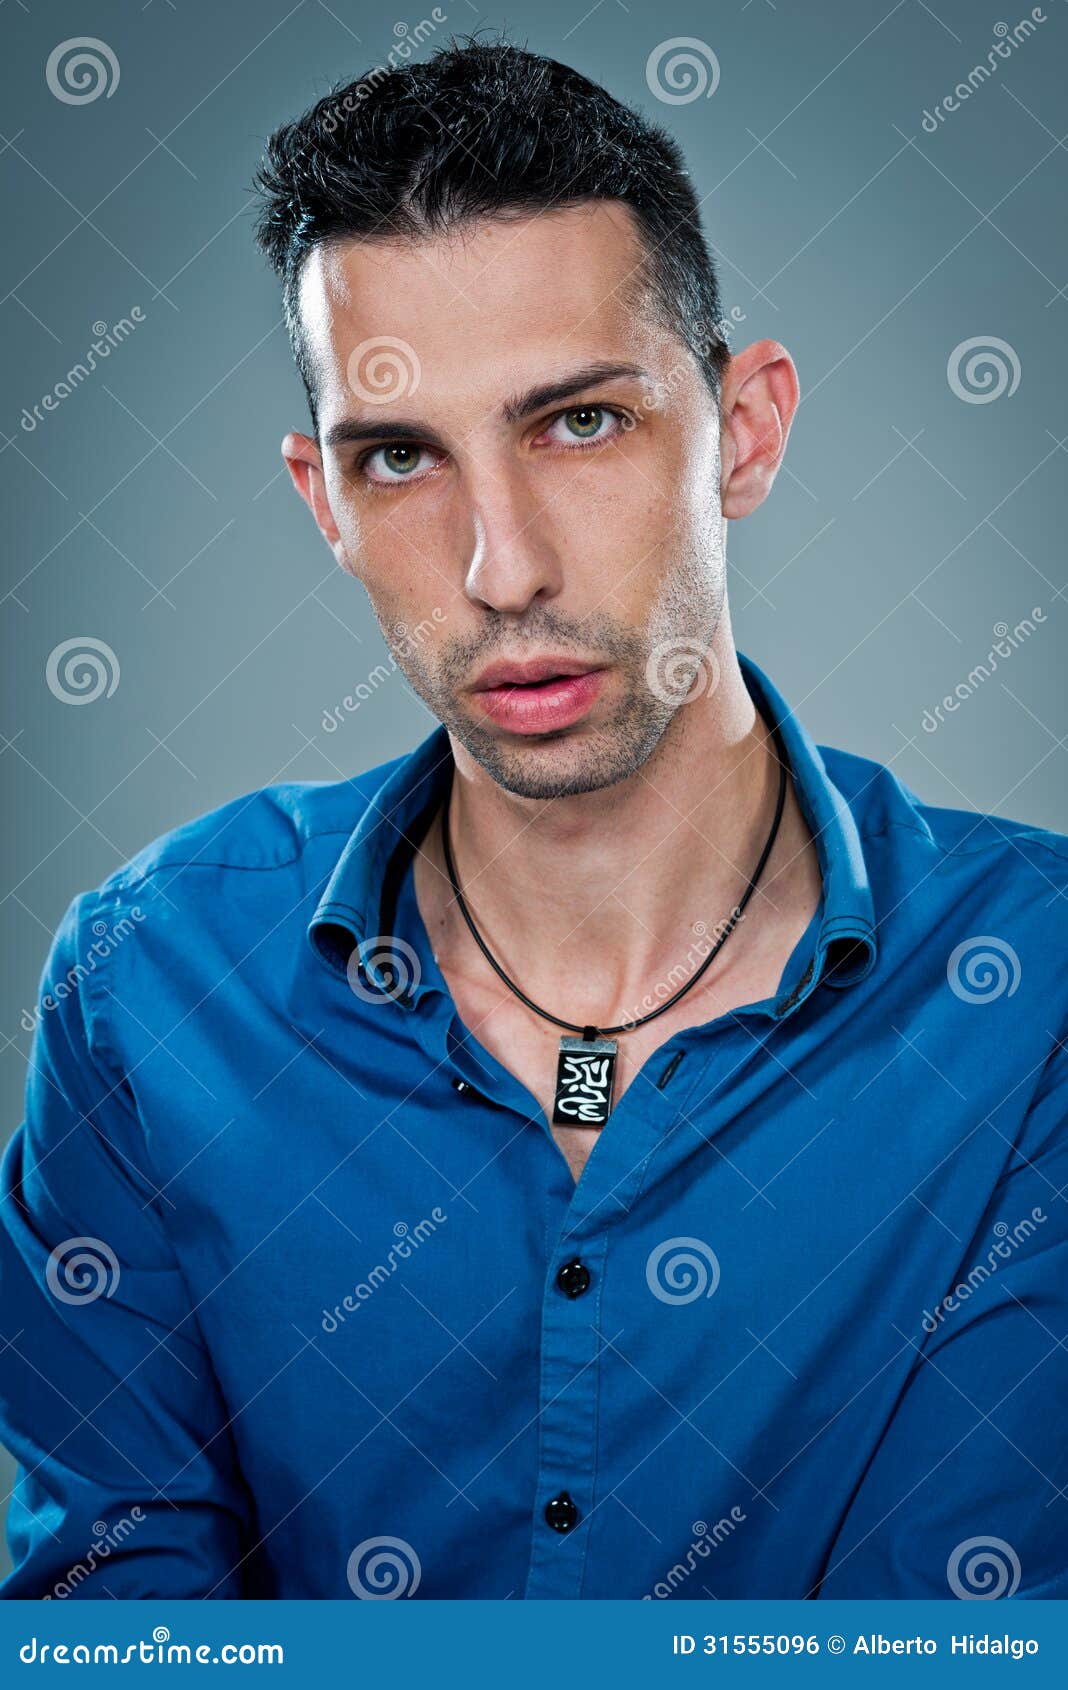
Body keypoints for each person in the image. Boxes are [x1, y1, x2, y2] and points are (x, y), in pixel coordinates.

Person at [1, 38, 1065, 1602]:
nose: (502, 569)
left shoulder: (1030, 999)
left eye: (578, 423)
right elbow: (120, 1625)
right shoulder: (150, 987)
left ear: (746, 430)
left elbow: (968, 1635)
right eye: (402, 456)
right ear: (324, 501)